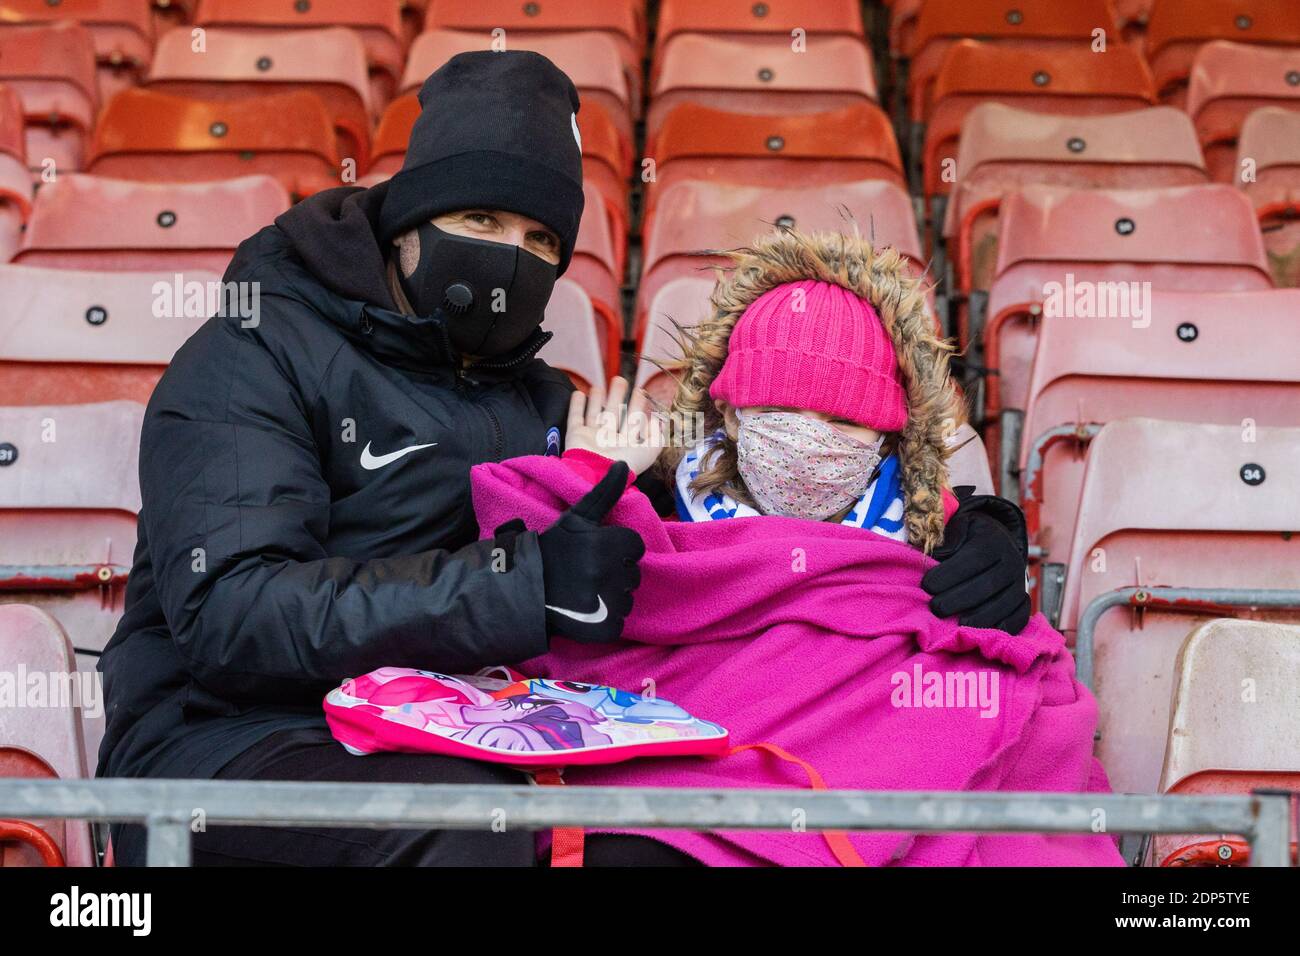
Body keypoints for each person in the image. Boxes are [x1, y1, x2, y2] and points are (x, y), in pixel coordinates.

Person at [98, 49, 1030, 867]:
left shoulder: (539, 401)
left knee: (637, 822)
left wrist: (964, 528)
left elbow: (720, 525)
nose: (512, 257)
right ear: (406, 221)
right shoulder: (251, 354)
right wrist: (519, 587)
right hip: (220, 739)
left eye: (542, 240)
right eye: (483, 220)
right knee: (477, 825)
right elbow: (232, 615)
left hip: (450, 725)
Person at [467, 229, 1118, 867]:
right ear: (732, 411)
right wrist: (591, 482)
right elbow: (536, 624)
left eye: (844, 421)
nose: (811, 439)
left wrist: (987, 521)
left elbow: (1023, 718)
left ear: (890, 439)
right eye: (781, 409)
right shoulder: (656, 520)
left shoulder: (950, 560)